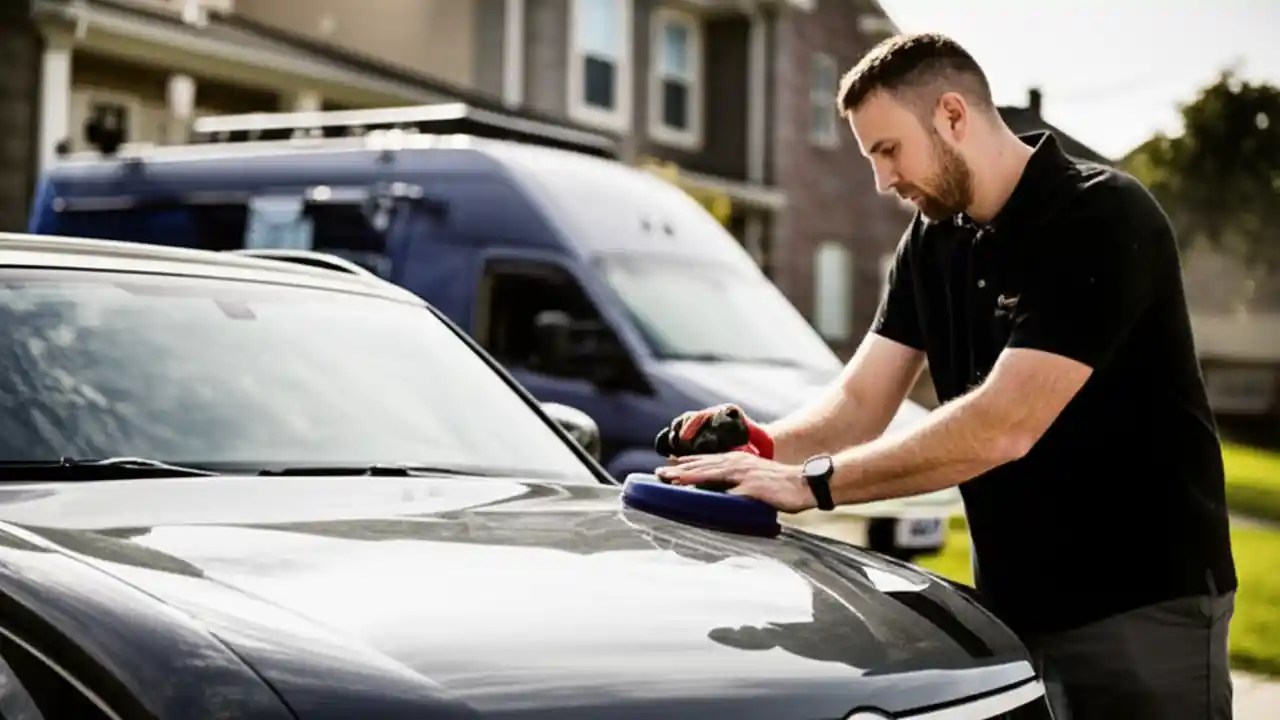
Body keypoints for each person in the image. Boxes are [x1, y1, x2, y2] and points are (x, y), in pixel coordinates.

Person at [654, 32, 1236, 720]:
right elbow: (860, 399)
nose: (882, 180)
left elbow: (1004, 425)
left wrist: (812, 483)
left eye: (888, 150)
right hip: (1014, 609)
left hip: (1142, 606)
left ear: (953, 116)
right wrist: (757, 450)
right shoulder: (934, 243)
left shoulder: (1101, 216)